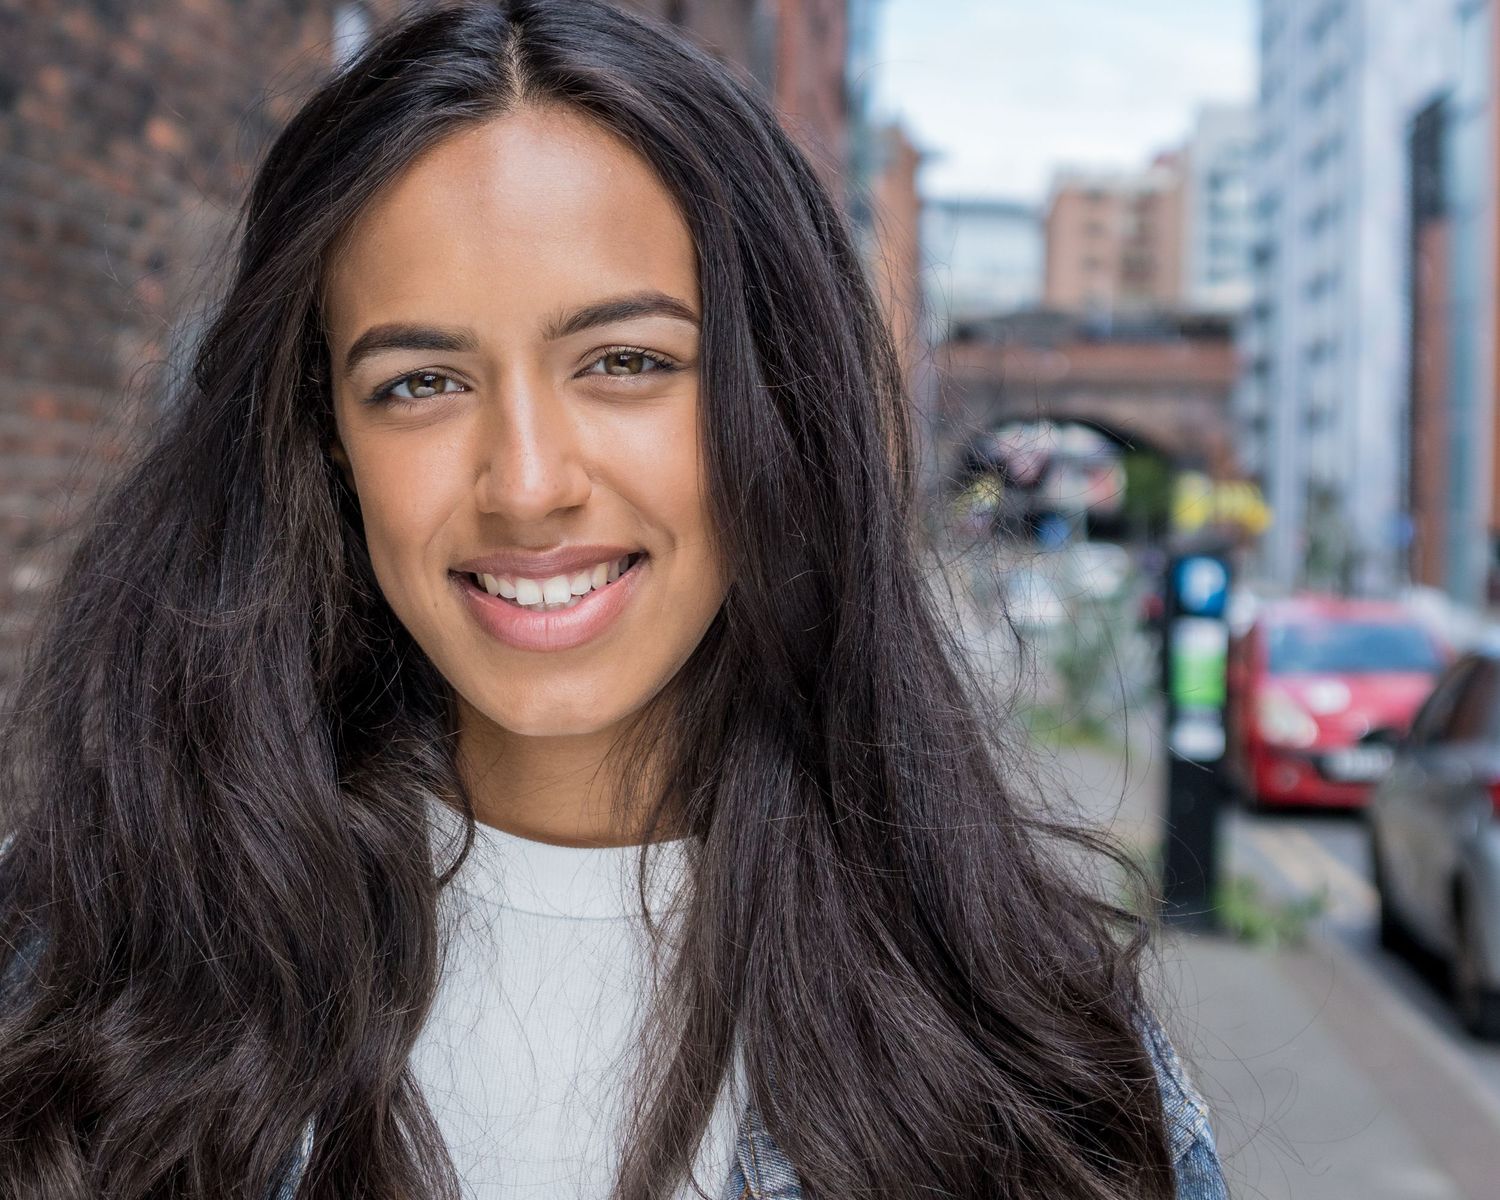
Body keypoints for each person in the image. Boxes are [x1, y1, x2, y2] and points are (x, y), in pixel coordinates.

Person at [0, 3, 1230, 1198]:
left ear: (777, 400)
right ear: (324, 441)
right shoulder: (77, 979)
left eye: (626, 362)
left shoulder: (1043, 1065)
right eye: (420, 381)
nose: (528, 484)